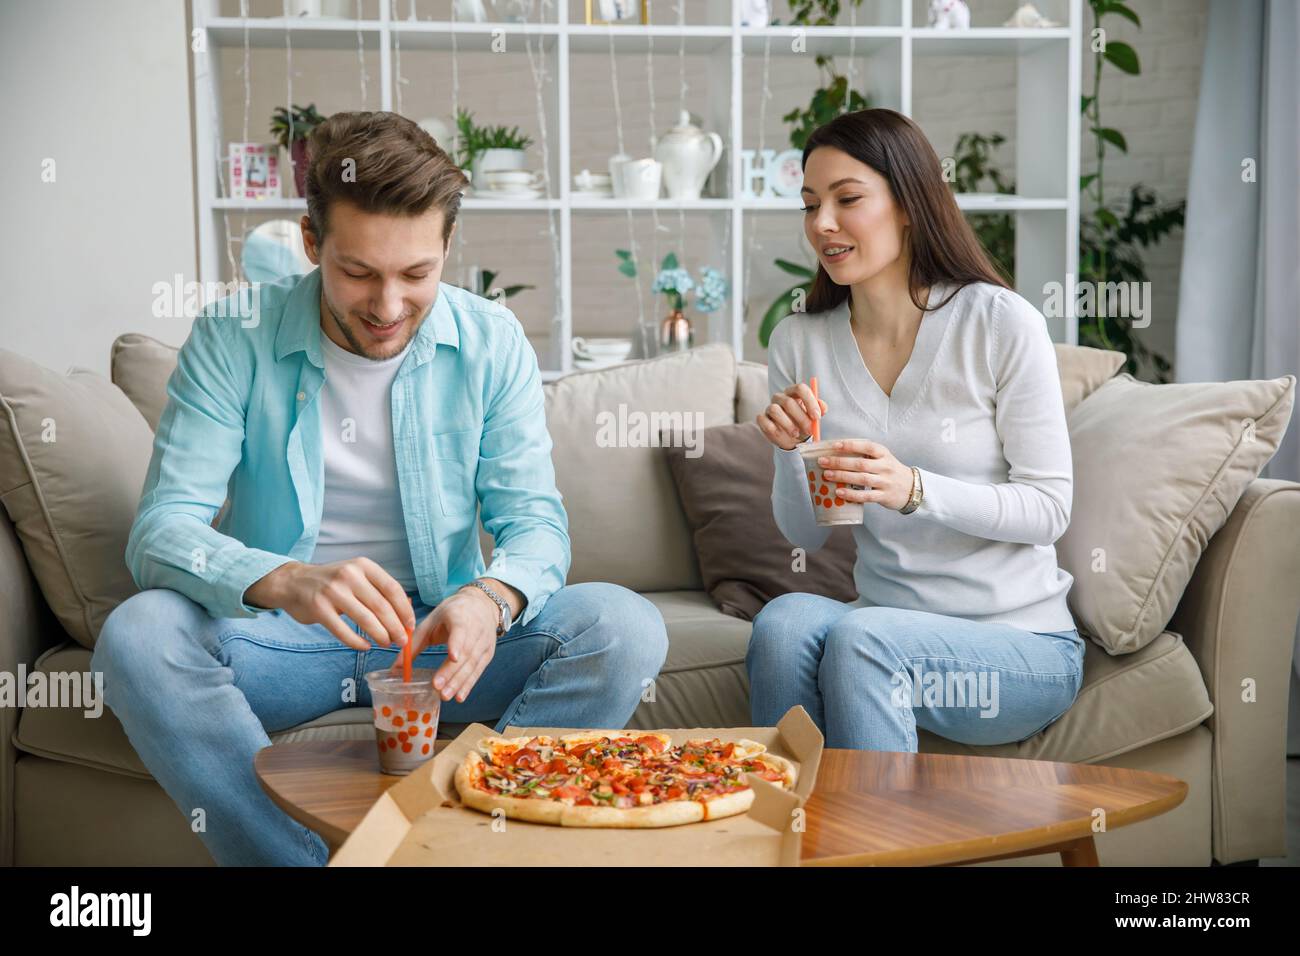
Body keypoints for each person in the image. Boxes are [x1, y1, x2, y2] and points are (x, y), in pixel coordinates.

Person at [92, 111, 668, 866]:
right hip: (283, 641)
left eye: (416, 275)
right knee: (138, 637)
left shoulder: (491, 341)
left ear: (447, 249)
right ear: (310, 243)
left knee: (624, 627)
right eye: (358, 272)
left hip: (437, 648)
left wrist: (488, 600)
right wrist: (284, 579)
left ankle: (475, 852)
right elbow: (162, 530)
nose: (388, 306)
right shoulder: (234, 336)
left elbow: (535, 525)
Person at [748, 108, 1085, 752]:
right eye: (809, 204)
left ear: (908, 204)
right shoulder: (799, 340)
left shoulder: (998, 323)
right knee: (783, 622)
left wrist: (913, 489)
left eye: (847, 199)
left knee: (860, 636)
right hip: (882, 624)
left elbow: (1049, 509)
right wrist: (792, 455)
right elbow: (805, 535)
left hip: (1021, 647)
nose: (822, 224)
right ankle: (786, 832)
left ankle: (877, 848)